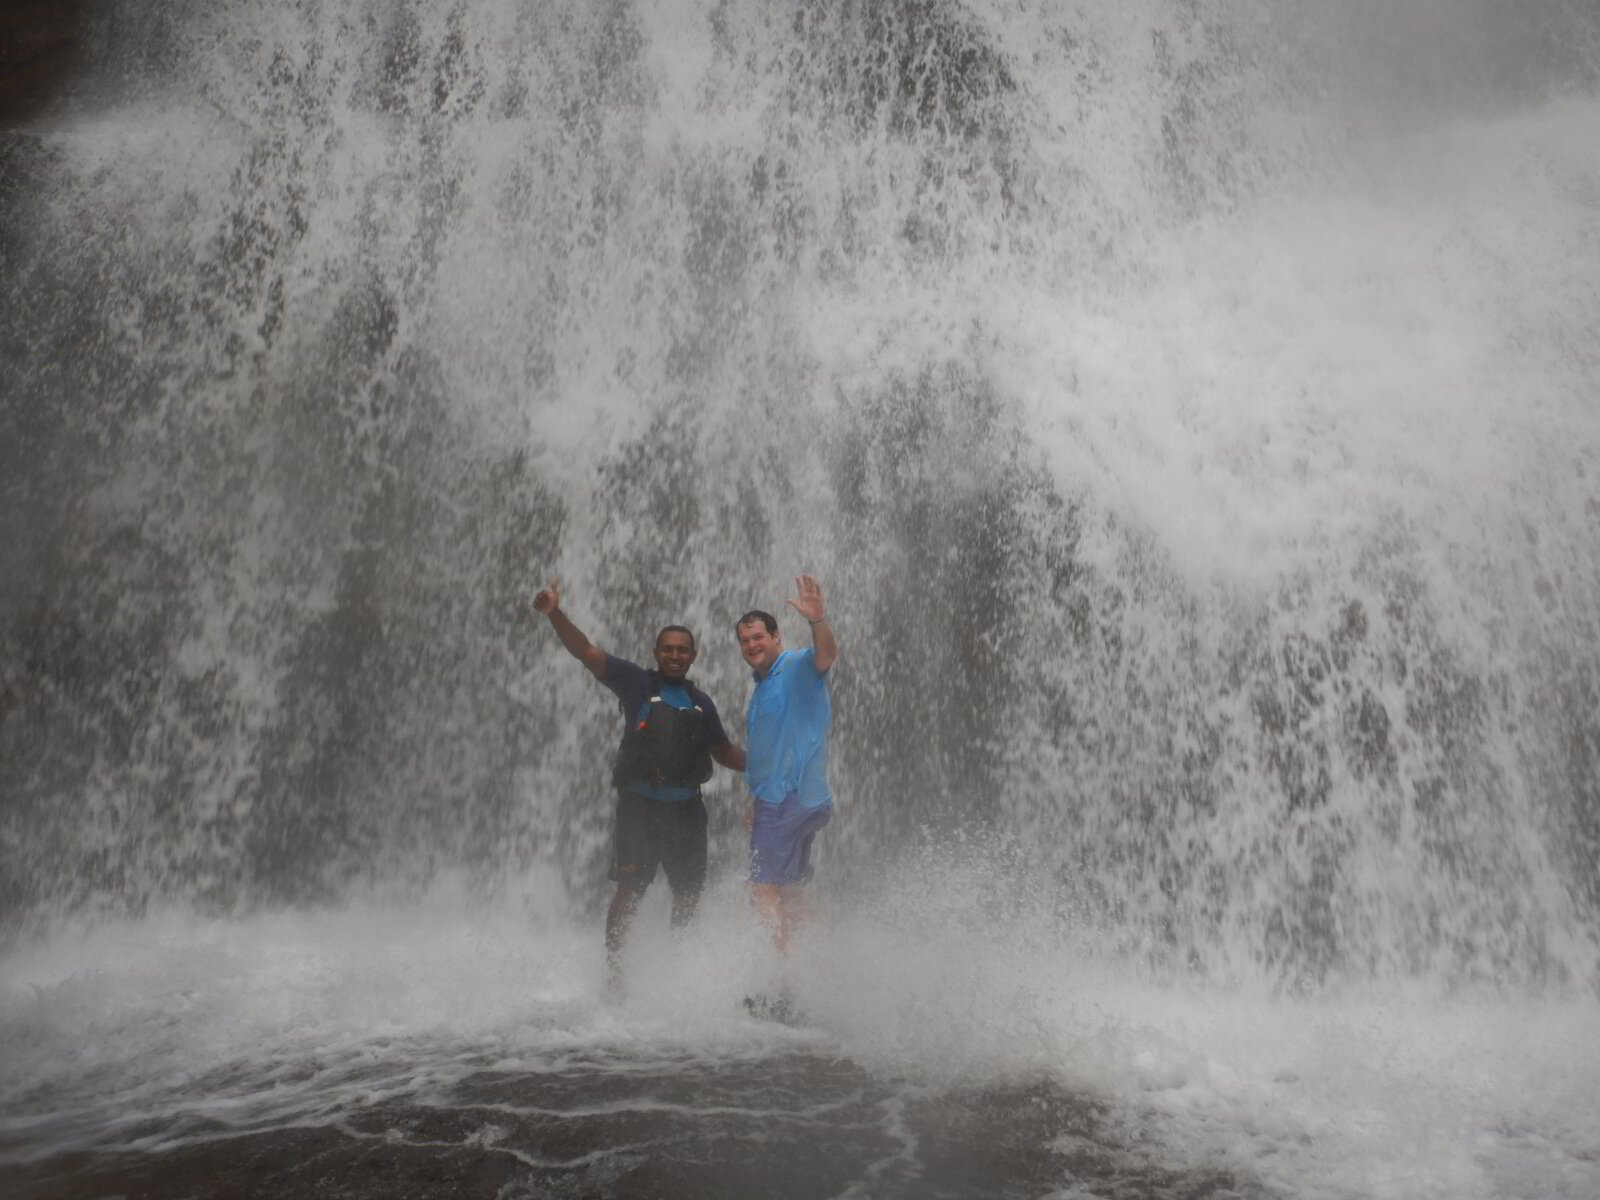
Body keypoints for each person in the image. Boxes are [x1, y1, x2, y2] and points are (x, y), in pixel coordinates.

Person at [532, 582, 745, 980]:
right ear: (656, 653)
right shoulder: (636, 683)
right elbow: (585, 651)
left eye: (683, 650)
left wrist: (767, 765)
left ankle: (677, 969)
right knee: (629, 891)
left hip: (686, 811)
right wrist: (555, 614)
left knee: (688, 894)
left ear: (694, 656)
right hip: (640, 809)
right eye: (668, 649)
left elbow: (725, 753)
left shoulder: (702, 703)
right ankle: (614, 974)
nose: (676, 655)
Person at [735, 574, 838, 955]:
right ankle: (825, 962)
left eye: (759, 637)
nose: (751, 645)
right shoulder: (762, 687)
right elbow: (769, 751)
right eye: (745, 641)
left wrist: (817, 621)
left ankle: (779, 983)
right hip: (796, 801)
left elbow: (826, 655)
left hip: (788, 801)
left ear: (777, 637)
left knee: (761, 888)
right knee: (788, 894)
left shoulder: (796, 666)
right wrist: (756, 801)